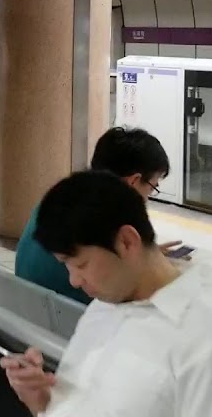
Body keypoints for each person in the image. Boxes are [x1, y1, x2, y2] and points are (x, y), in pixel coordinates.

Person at [3, 170, 212, 417]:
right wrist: (42, 401)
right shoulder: (103, 307)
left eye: (80, 265)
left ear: (126, 241)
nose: (74, 280)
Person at [15, 126, 179, 304]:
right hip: (69, 315)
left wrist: (143, 253)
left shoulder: (58, 205)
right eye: (152, 187)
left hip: (31, 309)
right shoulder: (99, 224)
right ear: (134, 181)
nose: (148, 197)